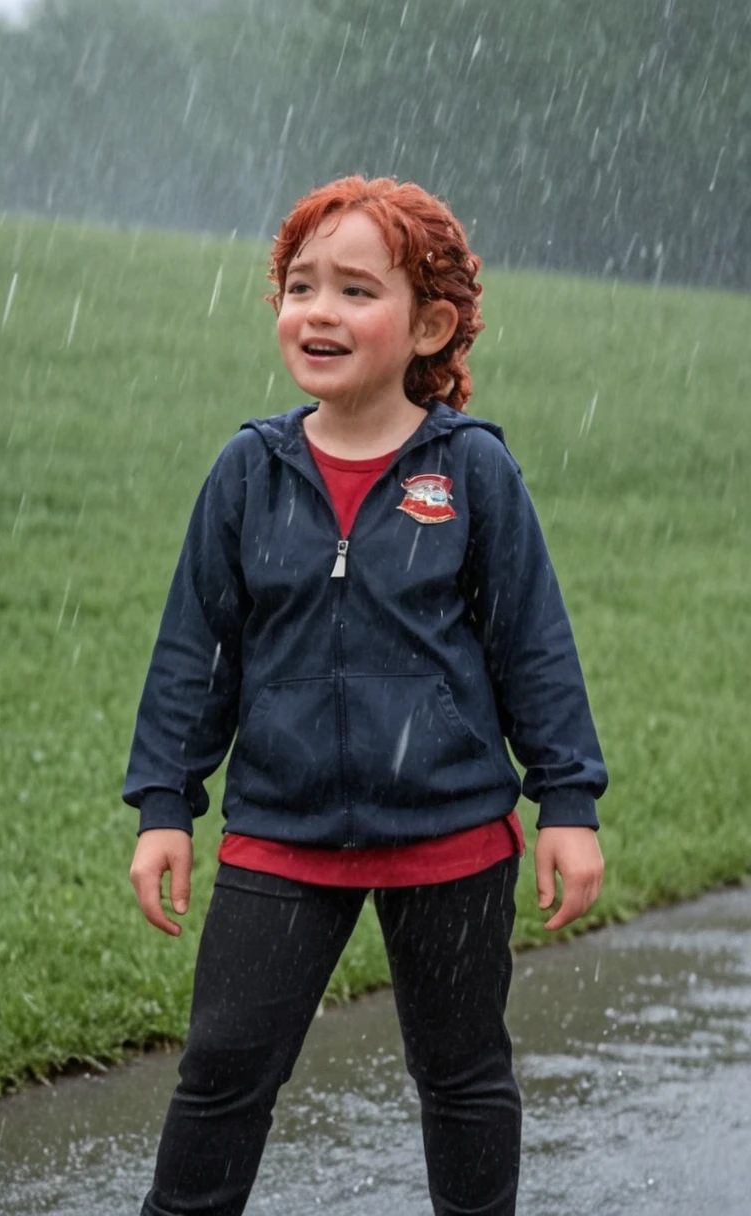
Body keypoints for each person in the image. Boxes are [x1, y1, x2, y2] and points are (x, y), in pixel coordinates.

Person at [123, 174, 607, 1216]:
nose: (320, 311)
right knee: (222, 1070)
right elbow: (194, 652)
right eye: (301, 286)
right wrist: (164, 803)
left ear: (428, 324)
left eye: (355, 289)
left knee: (463, 1076)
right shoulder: (248, 472)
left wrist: (567, 801)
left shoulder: (471, 472)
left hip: (451, 836)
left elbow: (532, 646)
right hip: (281, 834)